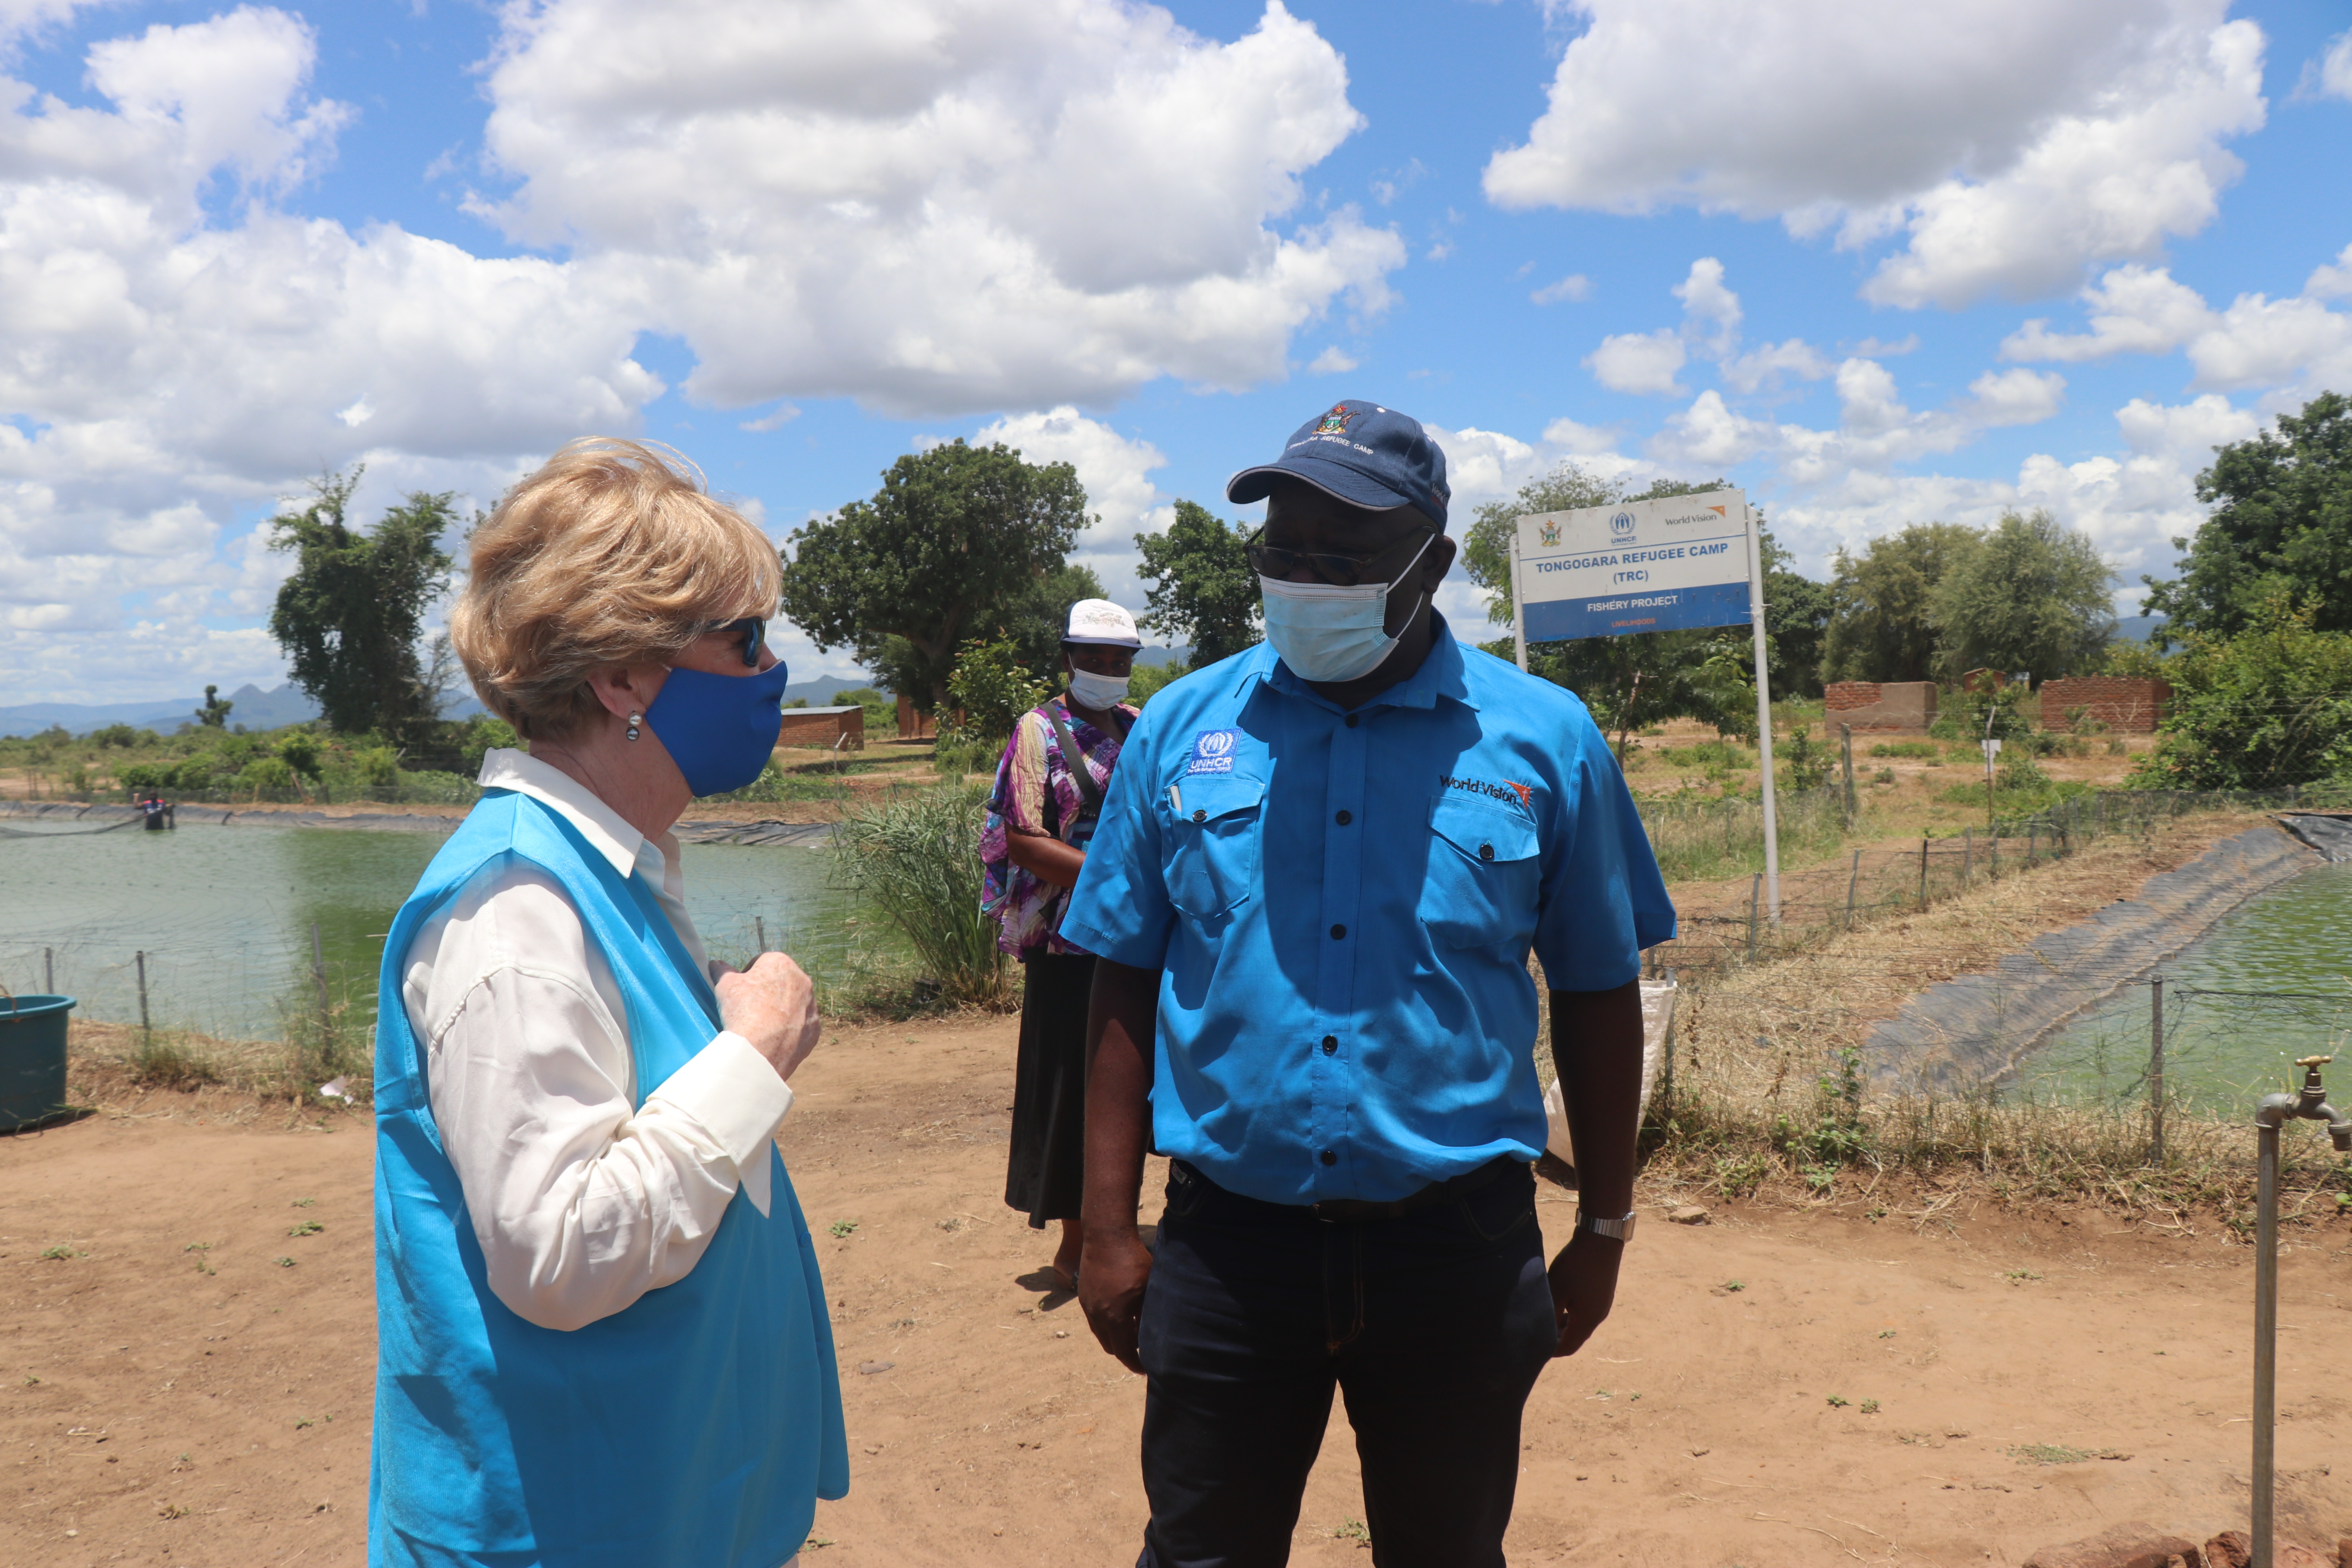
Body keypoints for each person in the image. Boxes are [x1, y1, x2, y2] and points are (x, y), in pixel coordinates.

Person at [1063, 400, 1676, 1568]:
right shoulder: (1180, 729)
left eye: (1342, 561)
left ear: (1430, 564)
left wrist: (1604, 1223)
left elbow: (1599, 988)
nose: (1304, 582)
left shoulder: (1544, 738)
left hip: (1456, 1250)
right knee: (1201, 1550)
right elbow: (1123, 981)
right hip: (1230, 1248)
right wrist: (1105, 1227)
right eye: (1282, 553)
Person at [370, 438, 848, 1568]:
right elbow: (559, 1253)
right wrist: (753, 1058)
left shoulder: (608, 870)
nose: (772, 668)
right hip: (569, 1527)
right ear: (625, 677)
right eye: (743, 640)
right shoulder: (519, 915)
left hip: (656, 1498)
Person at [979, 599, 1142, 1289]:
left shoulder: (1139, 724)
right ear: (1069, 659)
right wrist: (1118, 879)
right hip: (1069, 938)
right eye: (1093, 658)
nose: (1107, 669)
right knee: (1076, 1083)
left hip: (1136, 933)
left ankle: (1125, 1223)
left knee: (1135, 1080)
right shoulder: (1039, 730)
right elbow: (1022, 838)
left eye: (1119, 659)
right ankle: (1078, 1241)